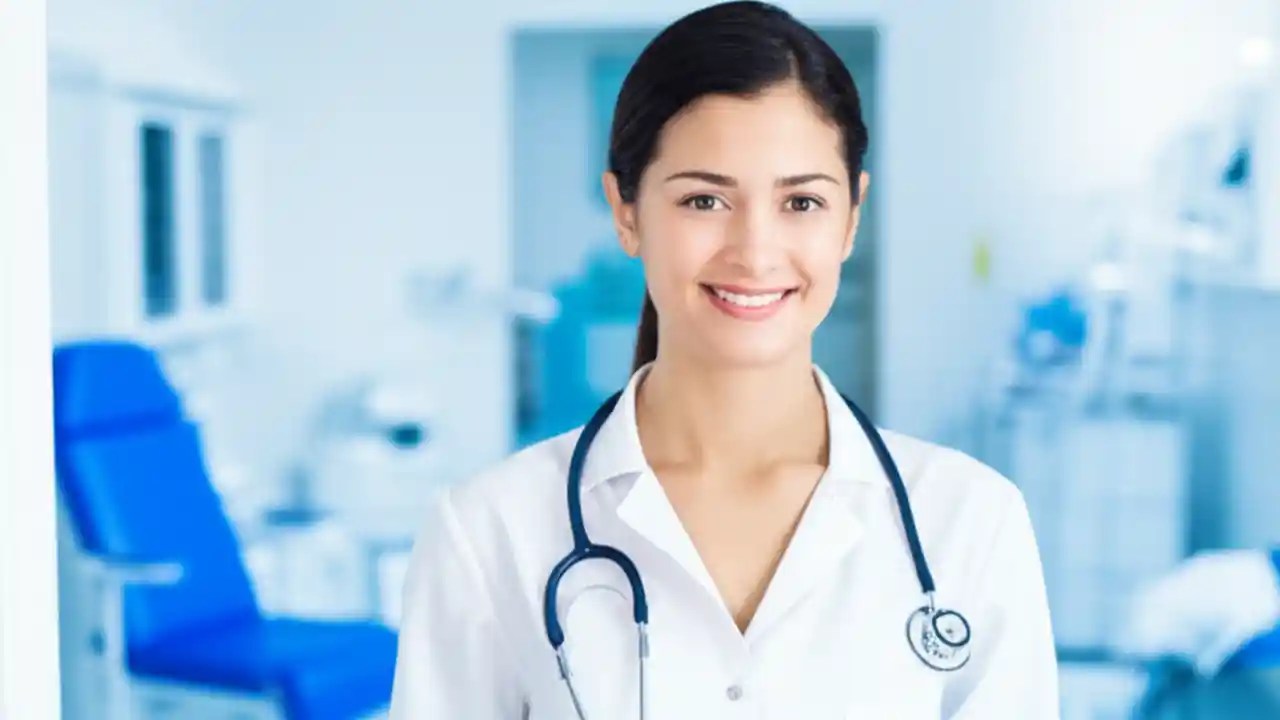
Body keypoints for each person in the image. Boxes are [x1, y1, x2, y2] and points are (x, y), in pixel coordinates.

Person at [389, 2, 1058, 717]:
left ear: (852, 218)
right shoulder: (490, 532)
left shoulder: (969, 521)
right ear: (626, 211)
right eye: (705, 200)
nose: (755, 253)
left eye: (801, 203)